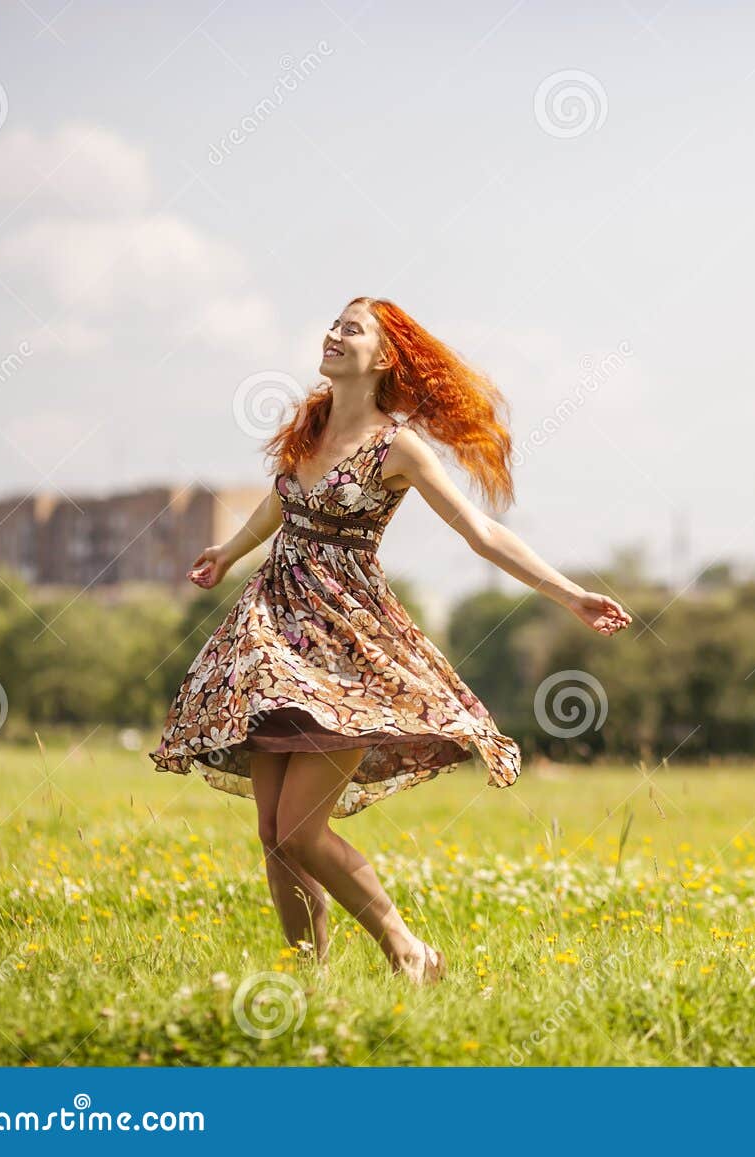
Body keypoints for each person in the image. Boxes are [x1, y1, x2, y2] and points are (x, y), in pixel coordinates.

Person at [150, 296, 631, 985]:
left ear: (383, 357)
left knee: (300, 830)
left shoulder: (398, 447)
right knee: (274, 835)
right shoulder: (311, 424)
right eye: (333, 324)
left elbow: (480, 533)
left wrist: (569, 593)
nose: (333, 334)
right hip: (272, 632)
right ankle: (307, 982)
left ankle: (409, 950)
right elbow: (284, 499)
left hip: (346, 645)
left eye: (351, 329)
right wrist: (229, 552)